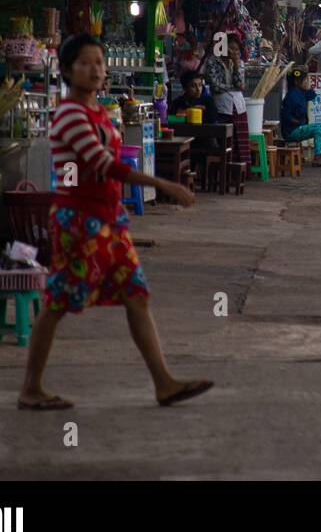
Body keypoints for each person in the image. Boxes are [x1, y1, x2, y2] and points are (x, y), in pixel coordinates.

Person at [19, 34, 210, 411]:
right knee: (57, 302)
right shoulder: (71, 113)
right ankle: (31, 387)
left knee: (137, 297)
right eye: (85, 62)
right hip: (80, 222)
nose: (95, 69)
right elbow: (103, 164)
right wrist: (162, 184)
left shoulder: (97, 111)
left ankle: (164, 382)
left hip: (108, 220)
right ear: (68, 70)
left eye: (99, 62)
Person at [205, 31, 250, 167]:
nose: (234, 52)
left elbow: (239, 84)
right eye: (230, 48)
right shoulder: (213, 61)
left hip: (238, 107)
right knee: (225, 141)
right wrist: (232, 87)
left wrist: (236, 65)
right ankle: (224, 170)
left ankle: (241, 170)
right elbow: (215, 86)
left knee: (240, 141)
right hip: (221, 107)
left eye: (236, 49)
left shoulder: (239, 63)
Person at [280, 66, 321, 167]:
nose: (306, 82)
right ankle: (317, 158)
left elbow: (313, 95)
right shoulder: (291, 96)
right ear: (296, 82)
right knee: (319, 128)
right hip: (292, 131)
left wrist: (307, 86)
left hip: (299, 128)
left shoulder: (302, 93)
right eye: (304, 80)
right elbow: (285, 116)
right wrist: (299, 123)